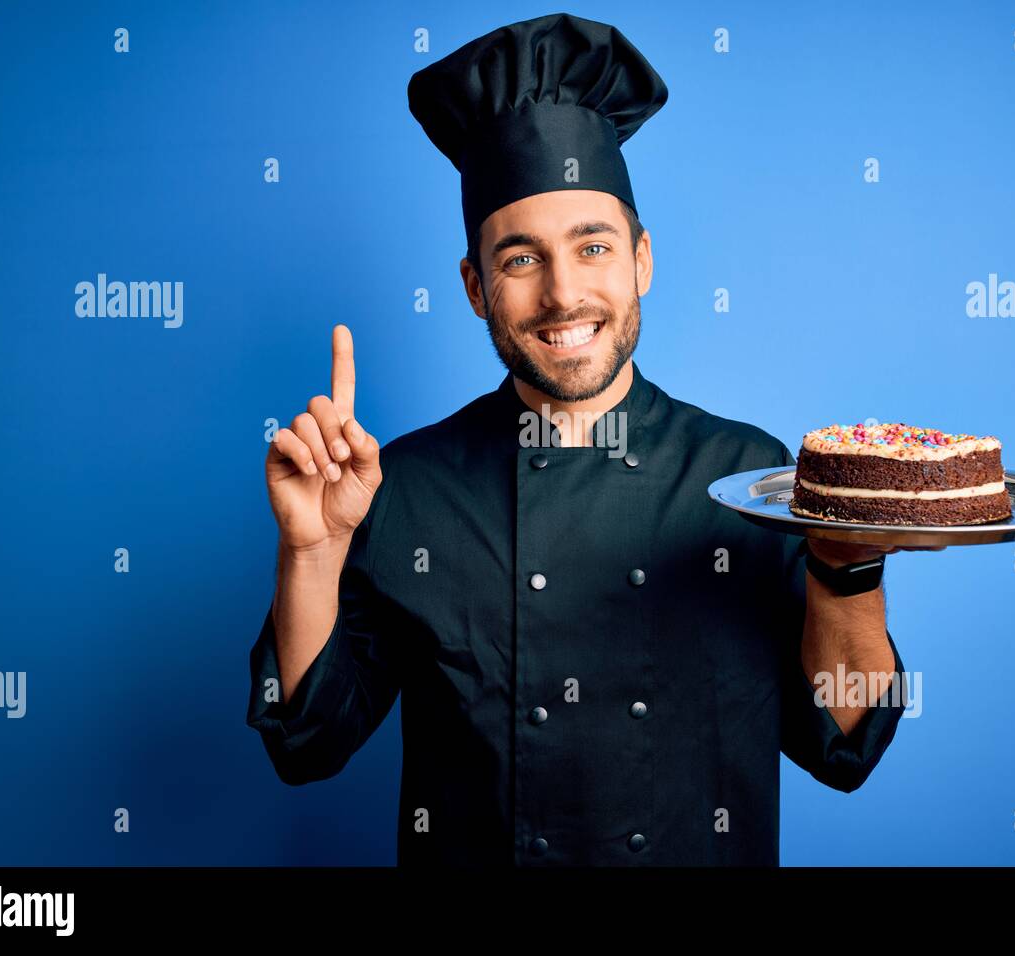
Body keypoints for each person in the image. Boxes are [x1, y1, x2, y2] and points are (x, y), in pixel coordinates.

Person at [246, 12, 927, 867]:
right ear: (474, 287)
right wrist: (312, 551)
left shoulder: (747, 473)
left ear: (640, 260)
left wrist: (849, 567)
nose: (564, 295)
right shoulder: (402, 487)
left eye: (593, 246)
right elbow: (306, 745)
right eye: (521, 259)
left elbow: (847, 742)